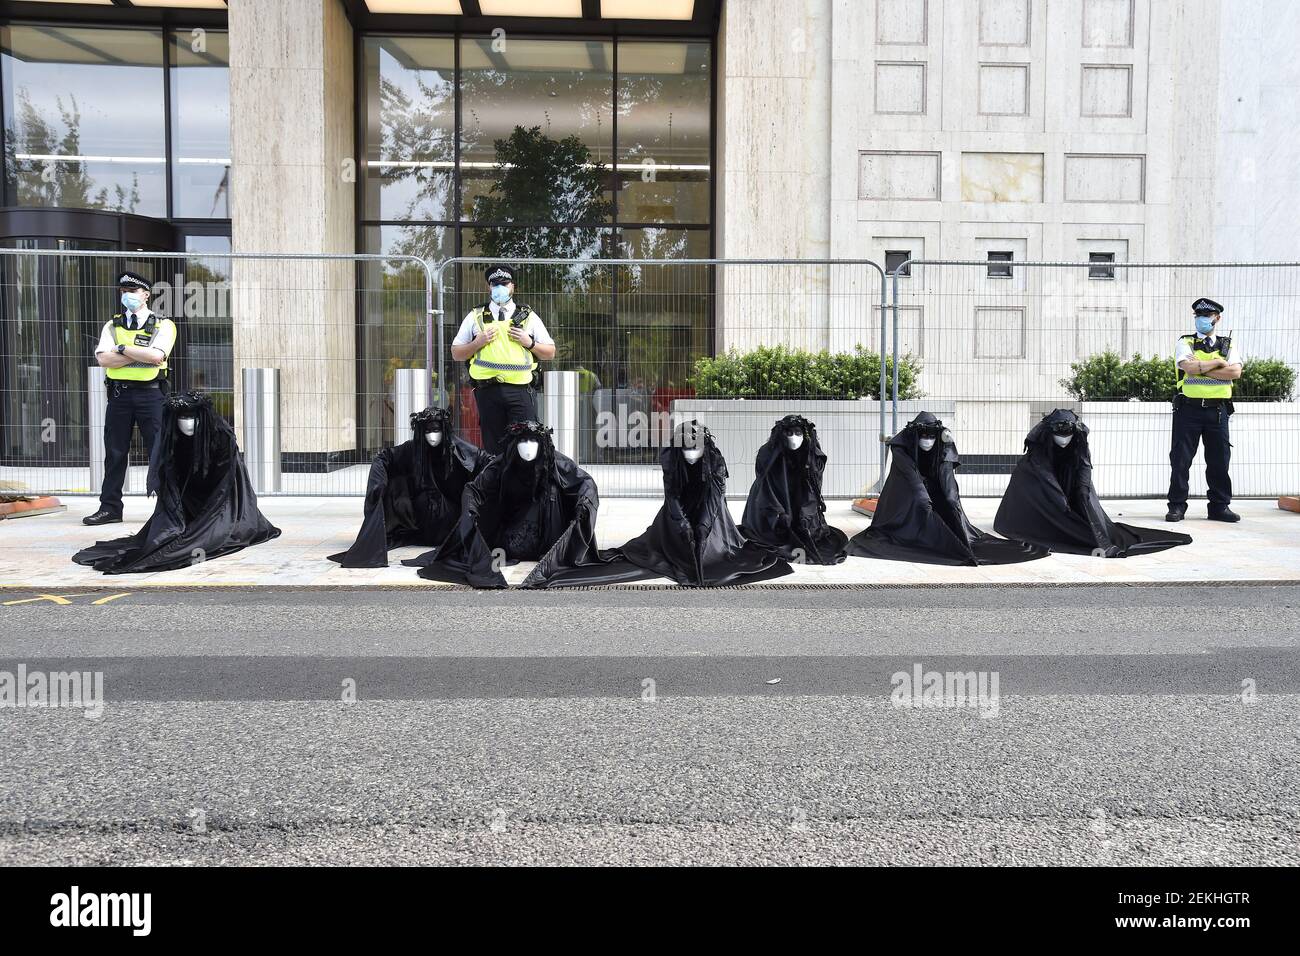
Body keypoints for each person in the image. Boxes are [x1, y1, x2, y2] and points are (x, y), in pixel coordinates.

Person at [73, 391, 280, 573]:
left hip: (220, 499)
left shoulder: (221, 437)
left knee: (209, 535)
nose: (187, 423)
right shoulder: (172, 438)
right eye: (182, 418)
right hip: (191, 500)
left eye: (192, 417)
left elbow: (225, 487)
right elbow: (172, 481)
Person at [404, 420, 610, 589]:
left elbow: (585, 482)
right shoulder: (504, 464)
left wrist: (584, 504)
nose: (528, 446)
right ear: (514, 444)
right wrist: (471, 512)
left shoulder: (554, 461)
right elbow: (475, 489)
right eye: (523, 440)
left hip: (548, 537)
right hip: (511, 539)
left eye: (533, 440)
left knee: (554, 490)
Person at [848, 412, 1046, 566]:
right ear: (915, 435)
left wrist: (951, 501)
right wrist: (922, 497)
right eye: (923, 436)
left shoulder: (944, 446)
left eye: (931, 436)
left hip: (933, 485)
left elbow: (946, 476)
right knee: (917, 502)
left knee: (947, 506)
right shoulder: (901, 447)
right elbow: (911, 476)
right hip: (904, 490)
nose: (928, 440)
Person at [994, 408, 1191, 558]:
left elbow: (1084, 466)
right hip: (1034, 484)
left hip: (1065, 475)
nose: (1064, 440)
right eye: (1059, 435)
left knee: (1086, 501)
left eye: (1067, 435)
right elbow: (1045, 476)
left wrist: (1082, 491)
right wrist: (1060, 502)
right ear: (1049, 432)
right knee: (1046, 509)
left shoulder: (1079, 438)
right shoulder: (1039, 444)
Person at [327, 406, 491, 568]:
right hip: (421, 523)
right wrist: (379, 485)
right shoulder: (412, 449)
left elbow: (486, 462)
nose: (432, 436)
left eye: (436, 430)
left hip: (450, 523)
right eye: (427, 431)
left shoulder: (459, 449)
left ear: (444, 430)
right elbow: (384, 458)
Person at [83, 271, 177, 526]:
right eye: (124, 292)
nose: (128, 296)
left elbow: (157, 356)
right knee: (114, 453)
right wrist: (140, 353)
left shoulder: (163, 324)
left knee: (159, 451)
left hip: (151, 395)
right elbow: (103, 359)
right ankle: (110, 508)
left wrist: (122, 349)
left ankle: (168, 507)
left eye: (133, 292)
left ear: (146, 295)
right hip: (119, 394)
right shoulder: (112, 325)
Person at [450, 264, 556, 455]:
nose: (500, 288)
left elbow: (550, 352)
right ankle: (496, 485)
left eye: (505, 283)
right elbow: (456, 353)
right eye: (495, 284)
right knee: (494, 451)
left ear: (513, 287)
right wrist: (477, 343)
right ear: (488, 287)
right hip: (487, 392)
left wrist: (529, 342)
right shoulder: (476, 316)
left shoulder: (528, 317)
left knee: (527, 448)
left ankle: (525, 485)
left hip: (521, 392)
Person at [1167, 297, 1242, 522]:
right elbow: (1187, 367)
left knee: (1219, 461)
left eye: (1207, 316)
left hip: (1218, 411)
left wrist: (1200, 369)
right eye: (1199, 315)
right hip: (1188, 409)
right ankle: (1177, 507)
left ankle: (1219, 507)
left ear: (1217, 318)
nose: (1202, 320)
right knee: (1181, 460)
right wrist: (1218, 363)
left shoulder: (1228, 344)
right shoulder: (1185, 342)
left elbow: (1235, 373)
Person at [740, 414, 848, 564]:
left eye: (798, 433)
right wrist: (778, 512)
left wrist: (806, 514)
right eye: (789, 433)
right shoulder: (768, 454)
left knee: (807, 532)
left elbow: (812, 489)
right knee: (773, 533)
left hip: (798, 498)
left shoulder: (811, 455)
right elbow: (765, 487)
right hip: (772, 501)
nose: (793, 438)